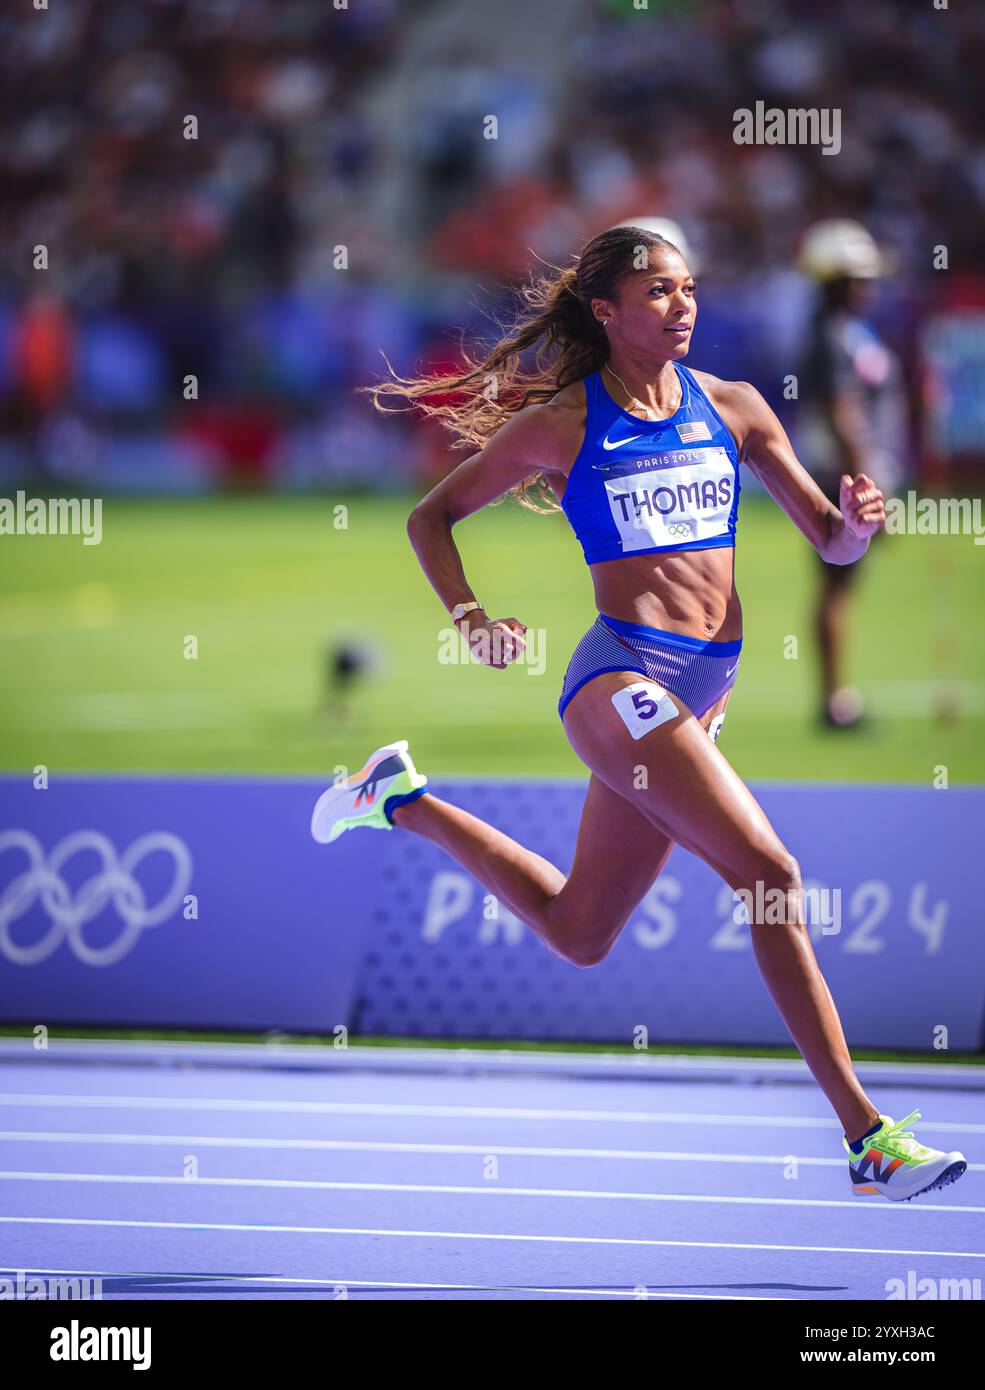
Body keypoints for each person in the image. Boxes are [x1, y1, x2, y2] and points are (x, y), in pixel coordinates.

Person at [311, 225, 965, 1201]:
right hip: (617, 685)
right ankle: (865, 1135)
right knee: (771, 874)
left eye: (688, 289)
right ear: (605, 311)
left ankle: (399, 796)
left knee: (580, 930)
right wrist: (472, 618)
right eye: (656, 291)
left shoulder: (736, 410)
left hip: (698, 700)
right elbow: (429, 517)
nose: (681, 305)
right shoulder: (564, 427)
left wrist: (859, 523)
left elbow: (827, 542)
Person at [795, 219, 908, 729]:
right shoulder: (830, 336)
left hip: (856, 473)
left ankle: (837, 698)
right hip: (839, 478)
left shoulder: (852, 331)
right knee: (837, 582)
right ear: (833, 281)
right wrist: (866, 481)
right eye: (856, 278)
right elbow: (841, 411)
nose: (868, 286)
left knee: (844, 583)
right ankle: (834, 702)